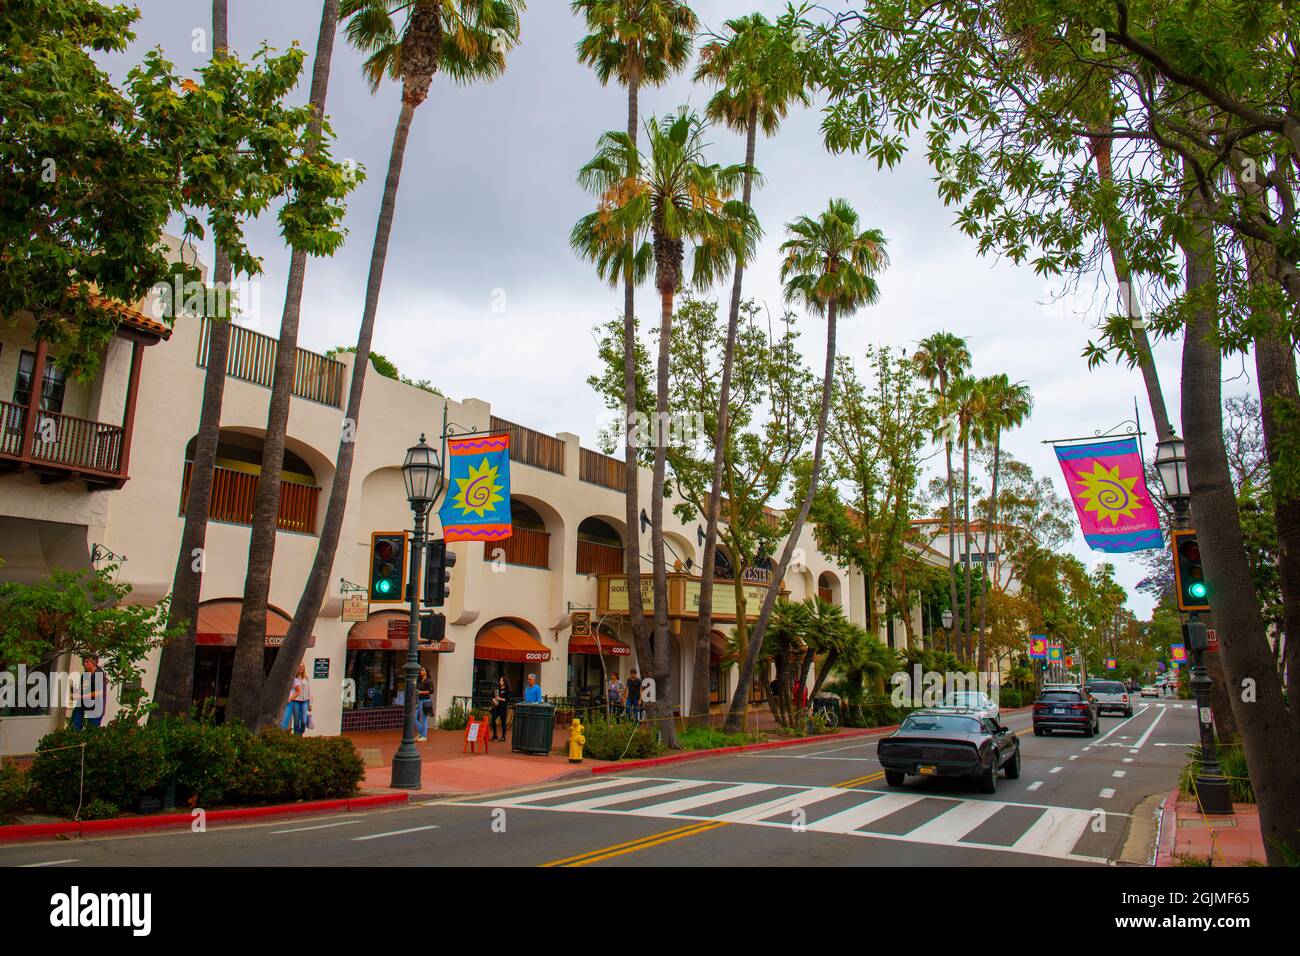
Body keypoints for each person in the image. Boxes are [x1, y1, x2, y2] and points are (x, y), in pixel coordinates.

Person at [71, 656, 105, 730]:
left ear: (94, 663)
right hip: (81, 707)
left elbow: (98, 693)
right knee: (74, 727)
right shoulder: (85, 674)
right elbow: (82, 688)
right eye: (84, 662)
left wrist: (81, 697)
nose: (84, 664)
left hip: (95, 709)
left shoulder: (98, 674)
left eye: (87, 662)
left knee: (91, 732)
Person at [282, 661, 311, 735]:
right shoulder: (294, 678)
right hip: (296, 701)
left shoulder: (306, 677)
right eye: (299, 667)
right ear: (296, 668)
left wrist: (309, 703)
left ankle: (301, 732)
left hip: (305, 701)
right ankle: (297, 737)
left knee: (304, 721)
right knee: (296, 721)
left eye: (302, 667)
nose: (301, 668)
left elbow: (308, 690)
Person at [490, 675, 511, 741]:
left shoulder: (507, 690)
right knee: (493, 719)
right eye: (500, 680)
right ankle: (495, 734)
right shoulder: (498, 689)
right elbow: (493, 697)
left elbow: (507, 699)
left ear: (505, 681)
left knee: (503, 722)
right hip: (496, 707)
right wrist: (494, 700)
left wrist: (500, 699)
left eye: (501, 680)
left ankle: (503, 736)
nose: (500, 681)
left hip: (503, 707)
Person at [415, 666, 433, 741]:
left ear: (426, 672)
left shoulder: (429, 681)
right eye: (421, 670)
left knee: (424, 719)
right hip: (419, 701)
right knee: (414, 717)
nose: (421, 671)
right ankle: (420, 732)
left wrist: (421, 692)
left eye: (423, 670)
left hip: (425, 701)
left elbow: (431, 691)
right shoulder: (419, 680)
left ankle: (424, 736)